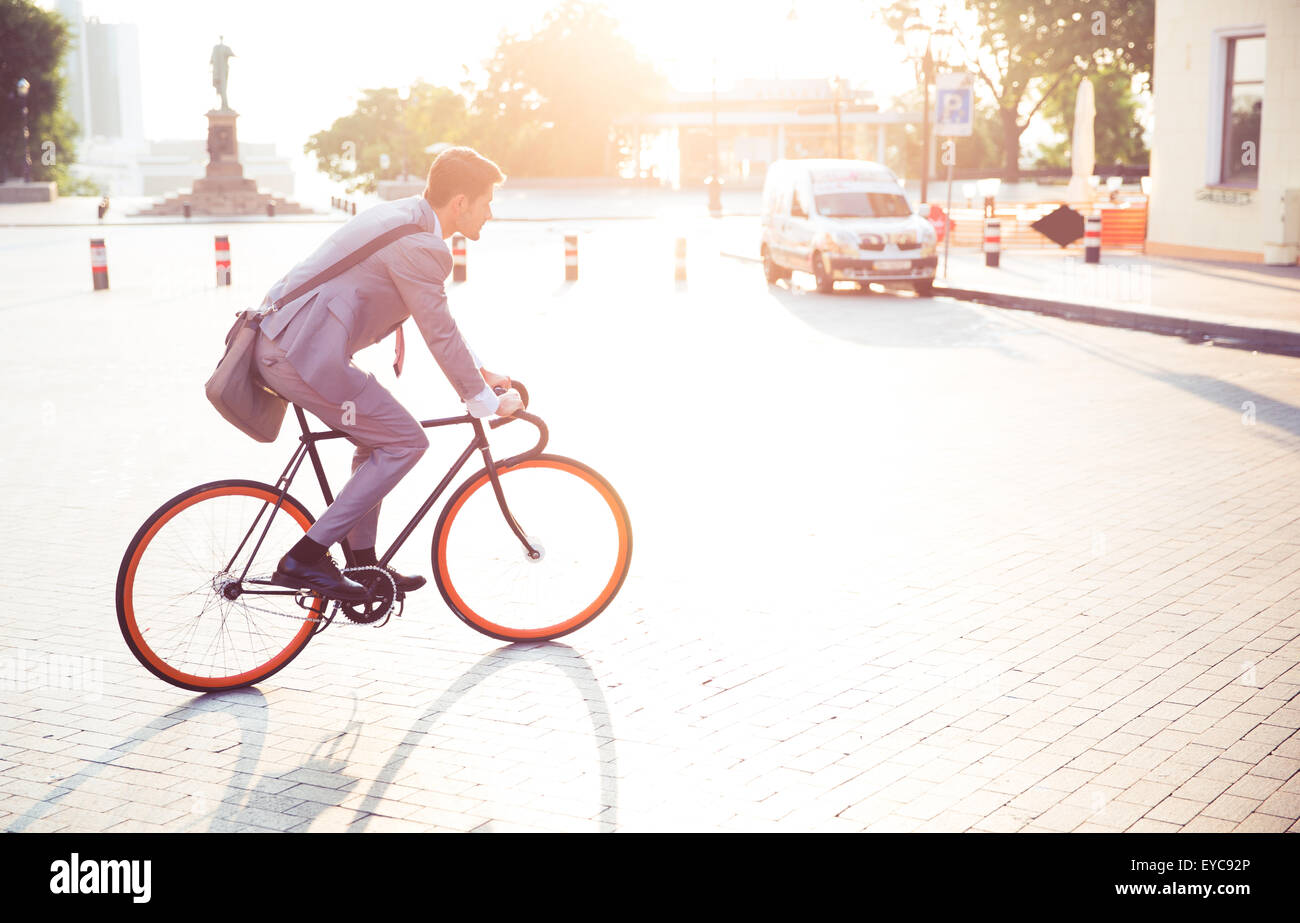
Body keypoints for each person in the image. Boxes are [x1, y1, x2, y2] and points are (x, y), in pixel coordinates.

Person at [253, 146, 521, 602]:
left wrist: (480, 371)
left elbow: (436, 319)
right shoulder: (421, 245)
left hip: (292, 344)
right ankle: (306, 556)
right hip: (299, 355)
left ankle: (361, 564)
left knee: (381, 438)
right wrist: (485, 401)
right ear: (461, 203)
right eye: (487, 201)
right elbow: (438, 331)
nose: (491, 213)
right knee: (406, 440)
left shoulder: (408, 218)